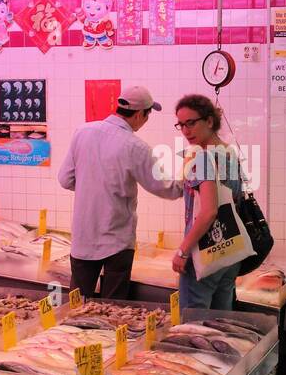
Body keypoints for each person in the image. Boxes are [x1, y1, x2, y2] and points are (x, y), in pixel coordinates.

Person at [58, 85, 183, 299]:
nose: (147, 119)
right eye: (148, 114)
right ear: (138, 114)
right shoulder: (136, 147)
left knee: (76, 306)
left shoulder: (83, 132)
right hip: (117, 241)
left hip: (83, 238)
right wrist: (193, 180)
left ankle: (73, 332)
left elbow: (65, 179)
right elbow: (165, 187)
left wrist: (92, 186)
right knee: (113, 309)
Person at [172, 95, 246, 309]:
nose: (186, 131)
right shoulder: (229, 152)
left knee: (193, 325)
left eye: (191, 123)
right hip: (231, 251)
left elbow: (208, 212)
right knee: (221, 322)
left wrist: (182, 251)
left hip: (204, 253)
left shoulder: (203, 158)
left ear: (210, 121)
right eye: (181, 125)